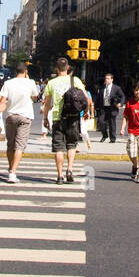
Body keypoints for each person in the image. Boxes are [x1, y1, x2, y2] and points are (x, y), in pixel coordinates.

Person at [42, 57, 93, 185]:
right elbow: (86, 98)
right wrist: (87, 112)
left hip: (57, 118)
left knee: (59, 148)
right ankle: (70, 169)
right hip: (73, 117)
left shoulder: (51, 83)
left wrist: (45, 118)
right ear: (68, 67)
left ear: (56, 68)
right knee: (72, 144)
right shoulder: (74, 80)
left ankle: (59, 176)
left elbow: (47, 103)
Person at [0, 63, 40, 181]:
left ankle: (11, 167)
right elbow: (35, 97)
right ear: (25, 72)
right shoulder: (30, 83)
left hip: (11, 116)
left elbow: (2, 101)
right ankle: (13, 172)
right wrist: (28, 79)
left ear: (15, 72)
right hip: (25, 117)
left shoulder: (8, 83)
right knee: (19, 146)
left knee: (10, 145)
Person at [96, 72, 125, 143]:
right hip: (103, 108)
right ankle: (105, 135)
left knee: (112, 123)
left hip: (112, 108)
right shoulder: (102, 87)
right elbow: (99, 97)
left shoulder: (116, 88)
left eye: (108, 79)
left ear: (112, 80)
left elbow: (122, 96)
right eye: (106, 78)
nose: (106, 80)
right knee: (101, 122)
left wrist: (120, 103)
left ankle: (112, 138)